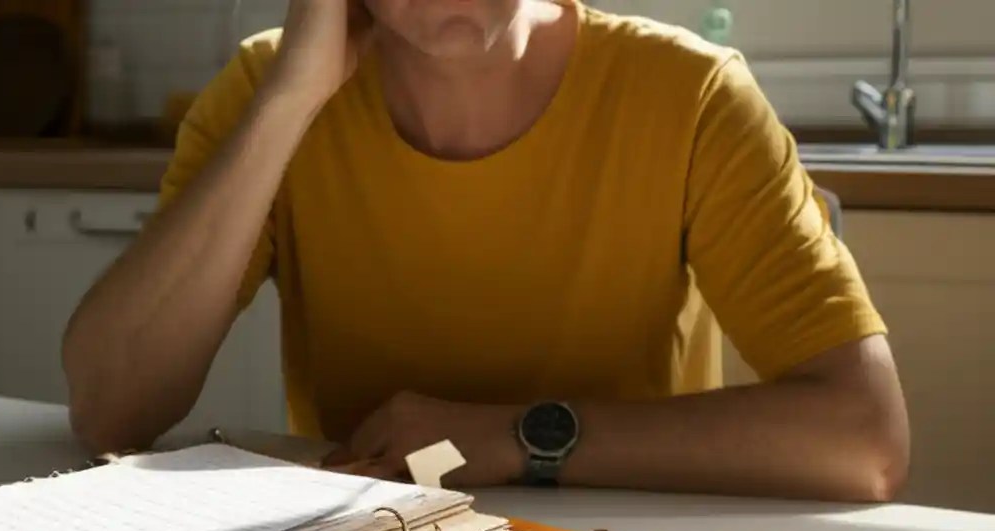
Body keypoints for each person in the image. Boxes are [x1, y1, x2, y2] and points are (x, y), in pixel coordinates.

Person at [62, 0, 910, 502]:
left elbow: (864, 438)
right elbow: (110, 409)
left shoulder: (690, 96)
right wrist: (292, 98)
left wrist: (515, 437)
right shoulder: (269, 88)